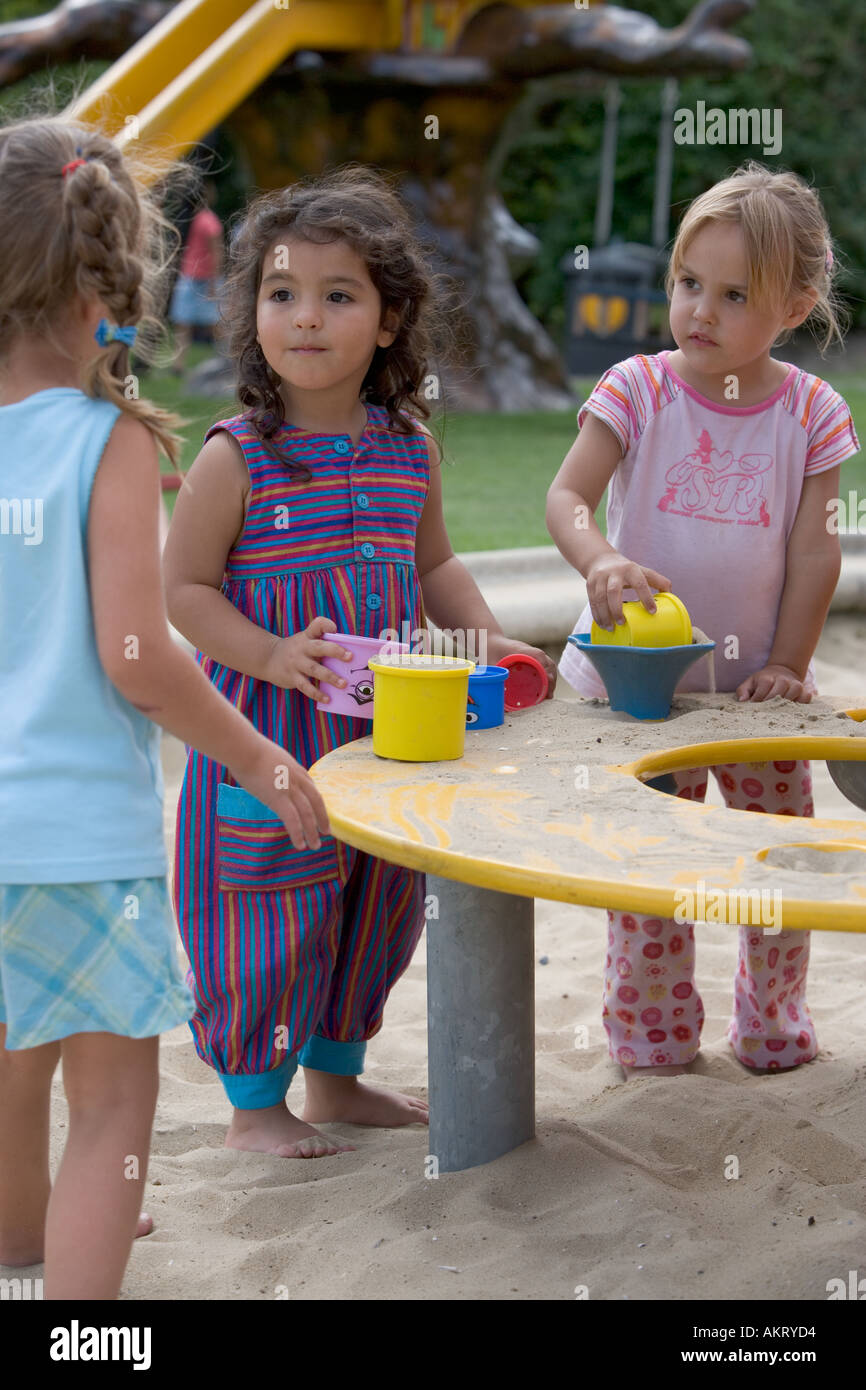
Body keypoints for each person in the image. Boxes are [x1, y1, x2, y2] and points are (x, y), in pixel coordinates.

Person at [163, 165, 558, 1157]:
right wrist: (266, 651)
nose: (305, 317)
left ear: (387, 322)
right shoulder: (235, 456)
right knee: (266, 920)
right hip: (266, 741)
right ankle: (257, 1103)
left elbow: (434, 563)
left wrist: (482, 634)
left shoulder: (406, 449)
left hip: (386, 734)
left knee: (374, 906)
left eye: (338, 296)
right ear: (251, 310)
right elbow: (182, 593)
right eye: (281, 292)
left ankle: (336, 1080)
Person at [0, 119, 329, 1300]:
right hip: (81, 840)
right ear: (111, 282)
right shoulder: (106, 444)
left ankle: (20, 1254)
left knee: (11, 1071)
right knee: (111, 1112)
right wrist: (254, 755)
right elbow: (138, 654)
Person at [547, 162, 858, 1078]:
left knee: (774, 866)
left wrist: (791, 664)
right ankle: (651, 1035)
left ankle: (774, 1025)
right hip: (642, 694)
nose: (700, 311)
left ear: (796, 305)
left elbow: (814, 552)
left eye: (733, 294)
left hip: (755, 693)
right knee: (652, 872)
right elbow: (567, 497)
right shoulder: (639, 388)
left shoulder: (811, 412)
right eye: (689, 284)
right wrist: (598, 558)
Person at [168, 177, 224, 374]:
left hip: (191, 277)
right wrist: (214, 281)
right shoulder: (208, 220)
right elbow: (217, 251)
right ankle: (223, 359)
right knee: (214, 322)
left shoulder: (191, 219)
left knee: (186, 324)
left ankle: (180, 364)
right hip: (200, 278)